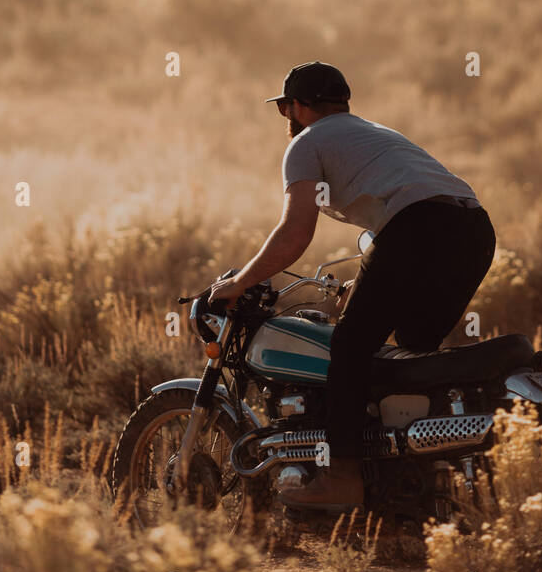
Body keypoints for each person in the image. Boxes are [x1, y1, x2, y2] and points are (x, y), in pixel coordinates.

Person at [208, 61, 496, 511]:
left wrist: (240, 283)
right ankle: (416, 478)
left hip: (416, 229)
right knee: (412, 351)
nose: (286, 118)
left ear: (298, 107)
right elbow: (402, 218)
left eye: (285, 107)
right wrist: (368, 286)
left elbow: (295, 233)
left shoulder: (308, 142)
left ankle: (342, 479)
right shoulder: (374, 133)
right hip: (474, 230)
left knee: (349, 347)